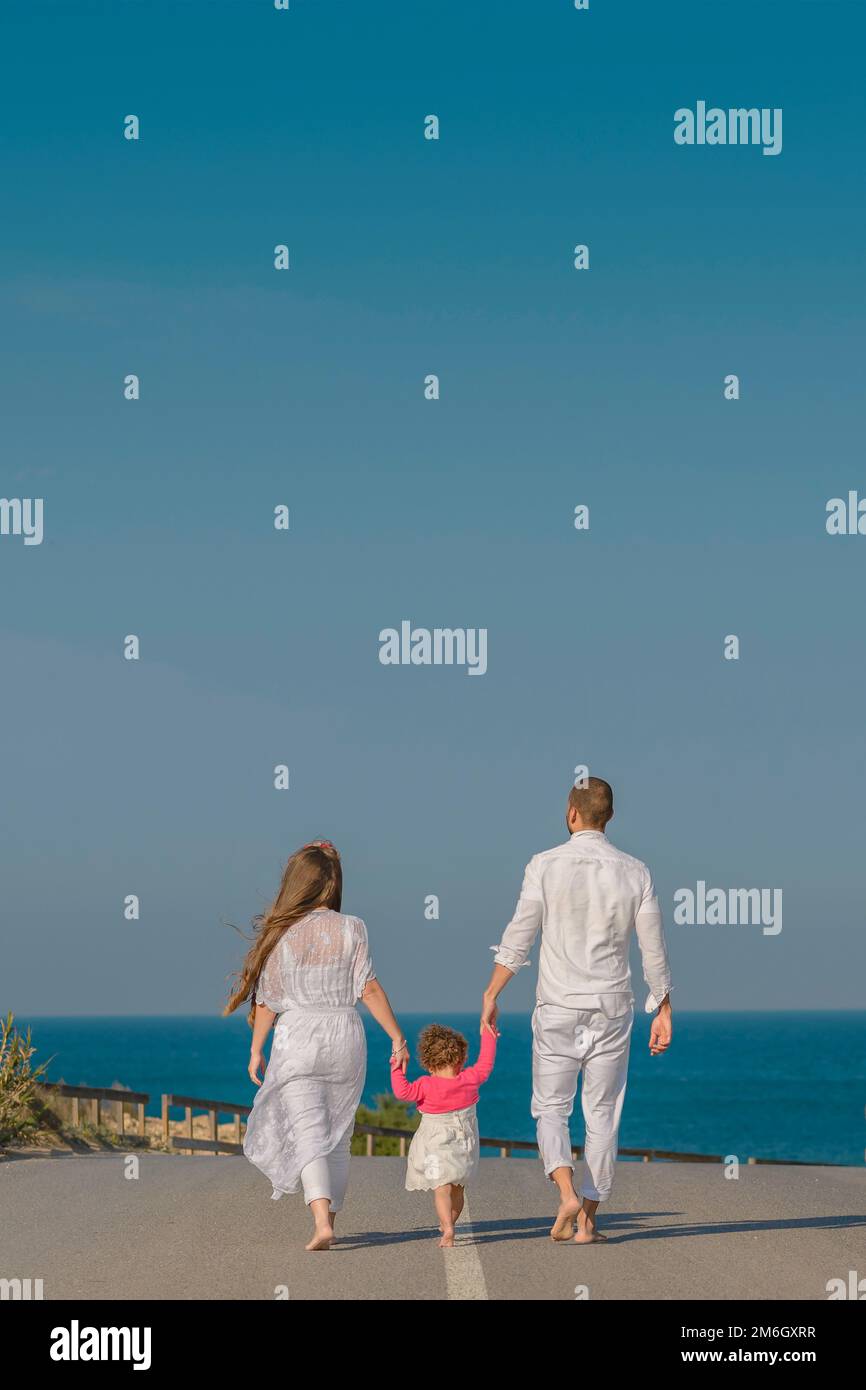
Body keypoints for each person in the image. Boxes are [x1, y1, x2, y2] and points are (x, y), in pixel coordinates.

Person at [482, 778, 672, 1244]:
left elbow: (519, 935)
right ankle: (588, 1218)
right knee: (603, 1113)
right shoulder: (636, 872)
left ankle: (565, 1190)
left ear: (572, 814)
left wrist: (492, 992)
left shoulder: (544, 865)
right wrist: (662, 1006)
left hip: (558, 1006)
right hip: (612, 1008)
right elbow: (653, 949)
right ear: (608, 817)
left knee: (550, 1107)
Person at [225, 839, 409, 1251]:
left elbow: (268, 999)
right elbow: (369, 988)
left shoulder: (282, 933)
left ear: (296, 884)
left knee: (309, 1128)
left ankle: (322, 1219)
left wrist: (256, 1048)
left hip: (298, 1035)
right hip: (345, 1033)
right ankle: (331, 1213)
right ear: (334, 884)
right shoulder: (353, 927)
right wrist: (396, 1036)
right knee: (339, 1131)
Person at [391, 1022, 497, 1247]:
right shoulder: (470, 1079)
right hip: (464, 1142)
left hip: (434, 1143)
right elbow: (486, 1063)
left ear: (429, 1064)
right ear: (460, 1059)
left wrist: (396, 1065)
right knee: (458, 1188)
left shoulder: (425, 1085)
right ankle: (450, 1224)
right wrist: (489, 1035)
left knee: (441, 1189)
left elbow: (402, 1092)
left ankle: (446, 1227)